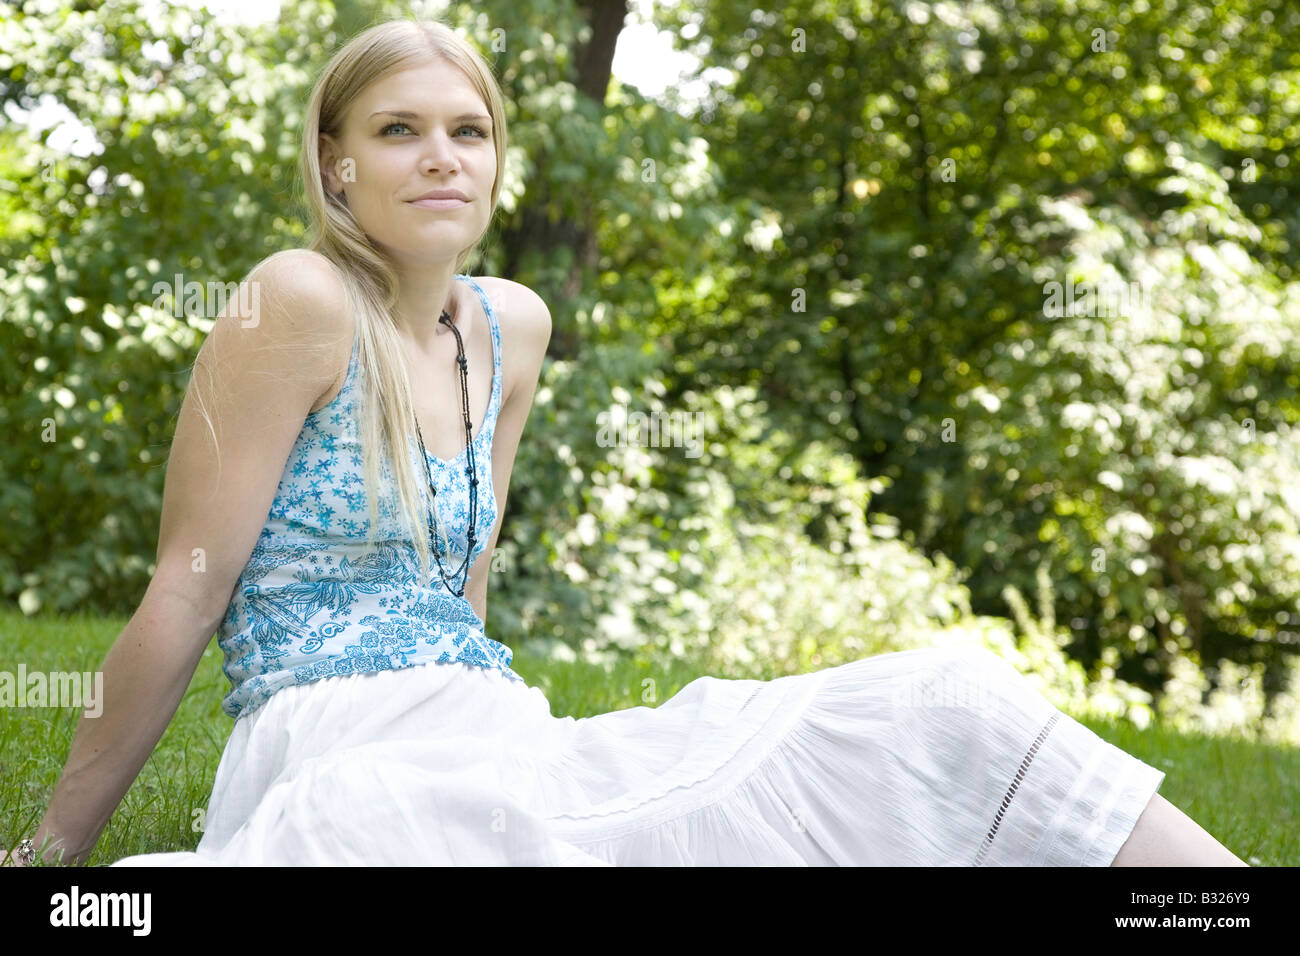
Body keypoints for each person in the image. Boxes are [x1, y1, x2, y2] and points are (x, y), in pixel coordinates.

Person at [3, 18, 1246, 868]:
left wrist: (501, 710)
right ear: (334, 170)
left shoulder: (509, 328)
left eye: (468, 130)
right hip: (343, 748)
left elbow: (466, 584)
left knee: (943, 700)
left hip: (500, 729)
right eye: (396, 130)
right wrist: (57, 849)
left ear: (497, 160)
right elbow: (189, 585)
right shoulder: (298, 299)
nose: (441, 154)